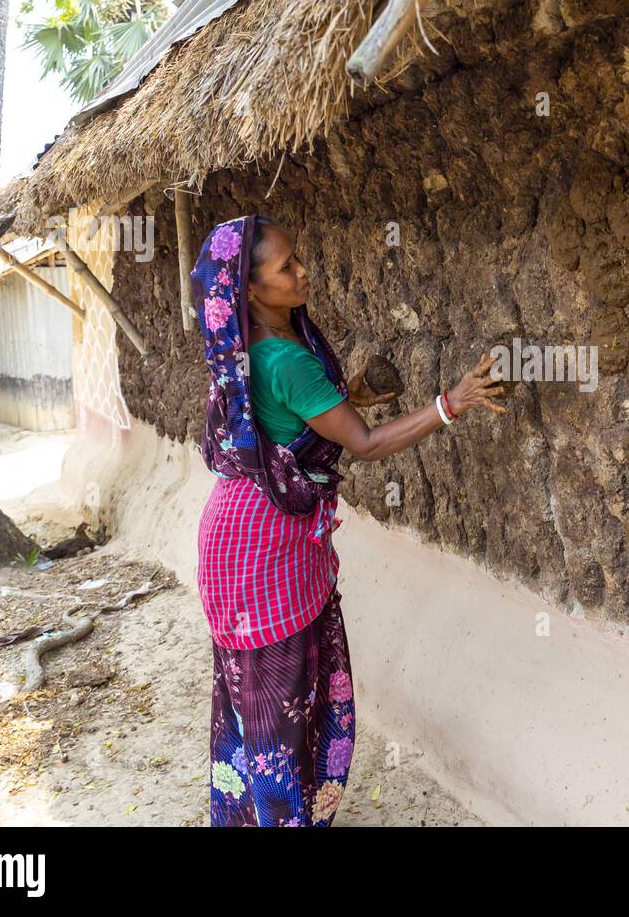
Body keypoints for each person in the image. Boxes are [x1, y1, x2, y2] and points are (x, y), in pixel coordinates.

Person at [190, 214, 506, 826]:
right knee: (280, 709)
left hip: (237, 534)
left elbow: (289, 421)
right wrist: (452, 403)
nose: (302, 271)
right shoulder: (285, 360)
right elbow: (363, 444)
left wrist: (347, 396)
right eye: (286, 267)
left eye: (297, 257)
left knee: (255, 703)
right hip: (263, 554)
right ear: (250, 290)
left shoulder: (252, 353)